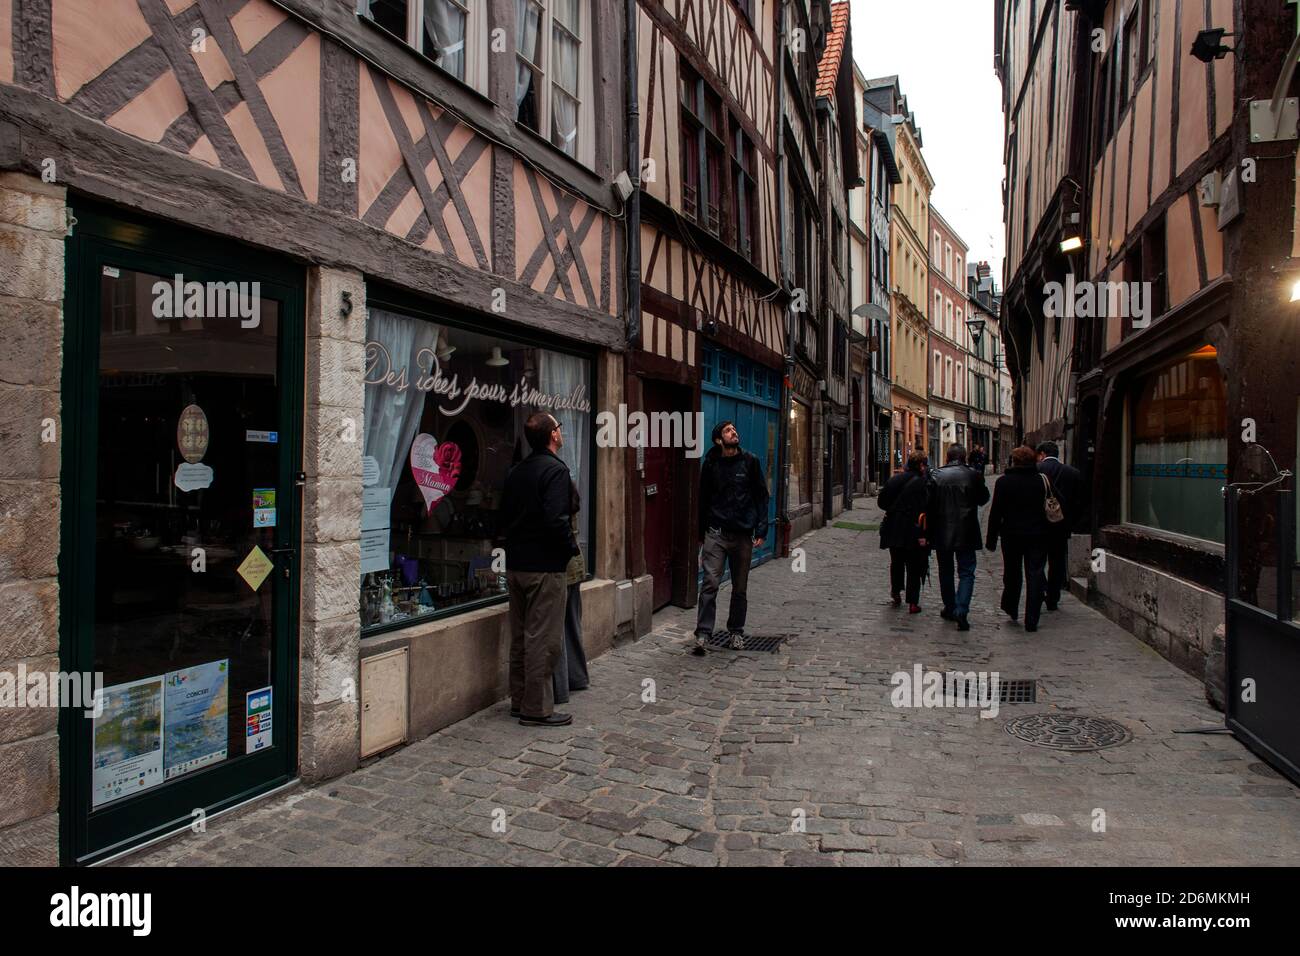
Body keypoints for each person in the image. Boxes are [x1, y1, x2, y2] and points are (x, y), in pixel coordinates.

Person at [500, 412, 580, 726]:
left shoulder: (517, 471)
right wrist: (570, 550)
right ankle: (536, 708)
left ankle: (519, 700)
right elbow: (555, 520)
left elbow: (505, 516)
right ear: (553, 436)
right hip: (544, 567)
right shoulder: (556, 471)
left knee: (520, 636)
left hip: (517, 564)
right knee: (542, 640)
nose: (561, 431)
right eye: (558, 426)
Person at [694, 421, 770, 655]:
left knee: (740, 587)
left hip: (742, 535)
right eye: (728, 430)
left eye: (734, 429)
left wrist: (761, 529)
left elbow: (761, 496)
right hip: (715, 533)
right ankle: (703, 633)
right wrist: (700, 536)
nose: (734, 432)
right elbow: (703, 499)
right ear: (719, 440)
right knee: (710, 584)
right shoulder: (711, 464)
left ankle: (736, 632)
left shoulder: (750, 461)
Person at [985, 445, 1049, 632]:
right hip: (1037, 534)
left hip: (1011, 535)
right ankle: (1032, 619)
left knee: (1012, 573)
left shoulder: (1004, 482)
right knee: (1035, 574)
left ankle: (1012, 608)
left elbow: (995, 512)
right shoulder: (1041, 481)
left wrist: (990, 539)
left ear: (1014, 461)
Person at [926, 444, 989, 631]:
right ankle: (962, 609)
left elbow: (928, 504)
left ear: (947, 457)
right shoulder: (973, 474)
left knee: (946, 571)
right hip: (966, 531)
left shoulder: (936, 475)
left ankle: (950, 606)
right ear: (964, 457)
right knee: (967, 572)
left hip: (942, 530)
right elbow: (984, 499)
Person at [878, 451, 931, 613]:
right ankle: (913, 602)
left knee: (897, 561)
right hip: (914, 528)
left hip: (894, 527)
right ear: (921, 465)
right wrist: (925, 534)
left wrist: (894, 511)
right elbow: (927, 509)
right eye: (925, 465)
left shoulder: (895, 480)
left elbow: (882, 502)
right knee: (914, 565)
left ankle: (896, 592)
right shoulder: (923, 483)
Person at [552, 477, 590, 705]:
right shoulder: (571, 498)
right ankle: (576, 676)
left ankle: (563, 684)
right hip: (576, 565)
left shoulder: (559, 506)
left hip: (564, 567)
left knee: (559, 627)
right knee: (572, 624)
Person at [1036, 441, 1085, 611]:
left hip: (1039, 526)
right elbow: (1080, 502)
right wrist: (1071, 522)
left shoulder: (1037, 470)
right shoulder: (1073, 473)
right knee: (1057, 562)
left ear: (1042, 454)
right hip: (1061, 526)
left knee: (1036, 562)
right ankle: (1053, 597)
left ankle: (1042, 587)